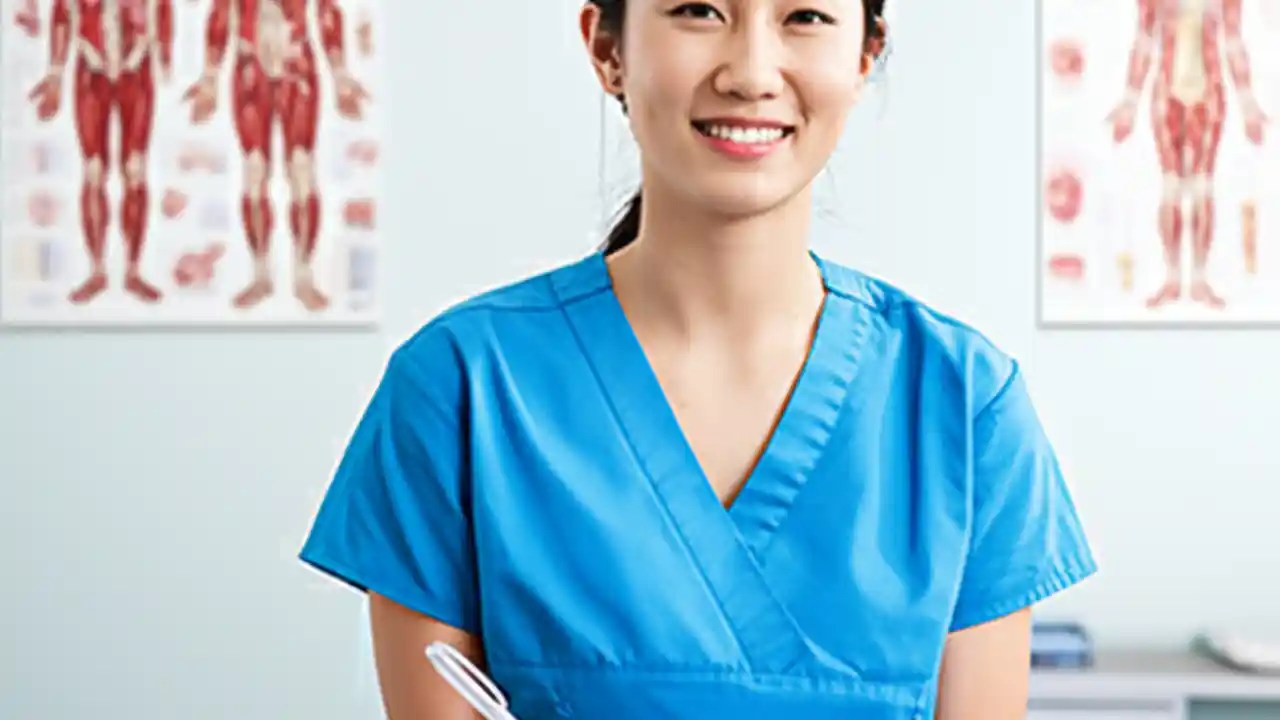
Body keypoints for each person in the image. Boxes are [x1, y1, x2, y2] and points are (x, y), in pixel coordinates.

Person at [299, 1, 1097, 717]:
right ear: (607, 47)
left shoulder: (962, 403)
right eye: (697, 10)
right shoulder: (461, 387)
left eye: (806, 17)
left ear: (864, 55)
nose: (750, 72)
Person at [183, 0, 369, 312]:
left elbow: (326, 11)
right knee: (254, 172)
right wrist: (210, 75)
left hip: (296, 66)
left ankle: (303, 273)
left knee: (301, 169)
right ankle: (261, 272)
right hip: (250, 69)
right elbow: (221, 12)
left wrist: (339, 74)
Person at [1107, 0, 1265, 310]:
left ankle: (1199, 279)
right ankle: (1173, 278)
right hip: (1168, 92)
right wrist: (1129, 101)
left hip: (1209, 92)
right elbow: (1144, 40)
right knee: (1171, 190)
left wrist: (1248, 104)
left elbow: (1233, 40)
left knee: (1202, 188)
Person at [29, 0, 174, 305]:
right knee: (94, 169)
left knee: (134, 169)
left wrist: (164, 54)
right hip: (91, 71)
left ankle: (133, 270)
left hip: (136, 70)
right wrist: (55, 71)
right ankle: (97, 270)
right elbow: (61, 13)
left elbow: (162, 7)